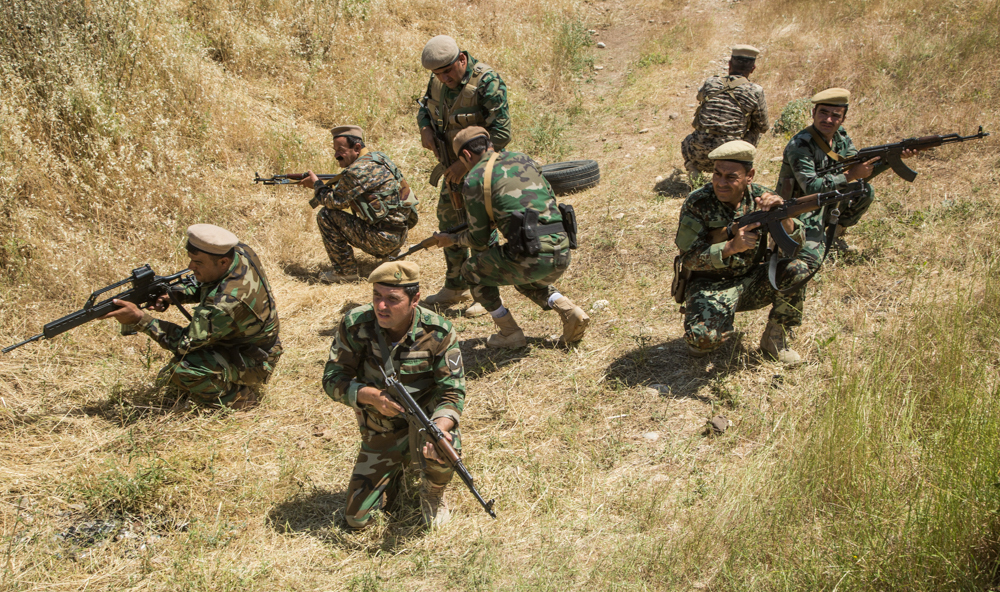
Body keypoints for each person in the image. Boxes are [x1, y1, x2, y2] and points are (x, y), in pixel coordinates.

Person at [323, 261, 465, 528]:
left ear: (415, 299)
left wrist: (441, 428)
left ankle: (433, 491)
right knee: (357, 520)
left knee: (447, 447)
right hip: (381, 431)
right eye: (376, 296)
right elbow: (333, 378)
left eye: (392, 299)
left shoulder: (439, 332)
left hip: (425, 427)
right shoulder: (356, 325)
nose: (381, 306)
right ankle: (395, 469)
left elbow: (452, 392)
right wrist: (368, 396)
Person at [433, 127, 589, 348]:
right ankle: (568, 310)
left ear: (466, 156)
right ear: (490, 145)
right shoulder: (523, 159)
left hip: (533, 256)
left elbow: (479, 240)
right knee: (522, 277)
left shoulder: (475, 177)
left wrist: (452, 240)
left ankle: (509, 332)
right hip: (562, 250)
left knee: (471, 270)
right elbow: (546, 199)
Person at [101, 224, 282, 407]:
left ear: (223, 262)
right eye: (191, 260)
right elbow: (210, 282)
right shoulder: (239, 251)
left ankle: (242, 402)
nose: (190, 267)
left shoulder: (225, 304)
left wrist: (139, 320)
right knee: (168, 379)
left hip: (257, 358)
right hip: (244, 342)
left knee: (185, 369)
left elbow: (184, 345)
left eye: (198, 263)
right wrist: (176, 294)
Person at [675, 140, 815, 365]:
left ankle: (774, 338)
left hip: (752, 281)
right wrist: (730, 247)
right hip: (709, 285)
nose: (721, 183)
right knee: (701, 343)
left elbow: (797, 244)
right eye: (717, 174)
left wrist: (783, 217)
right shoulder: (698, 202)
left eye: (731, 177)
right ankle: (709, 320)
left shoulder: (762, 198)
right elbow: (688, 258)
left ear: (749, 175)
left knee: (796, 269)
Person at [417, 35, 511, 318]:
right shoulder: (437, 82)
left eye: (448, 71)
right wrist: (425, 128)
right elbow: (424, 109)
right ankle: (455, 285)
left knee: (480, 228)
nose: (443, 78)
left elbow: (502, 134)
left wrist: (465, 163)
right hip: (451, 170)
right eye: (437, 74)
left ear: (461, 60)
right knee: (449, 221)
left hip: (481, 171)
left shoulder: (486, 82)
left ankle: (485, 292)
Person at [776, 88, 911, 254]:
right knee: (808, 258)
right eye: (823, 113)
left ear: (843, 118)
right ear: (813, 113)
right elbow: (812, 187)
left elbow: (862, 172)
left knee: (864, 191)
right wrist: (851, 174)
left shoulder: (841, 137)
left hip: (827, 199)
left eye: (836, 115)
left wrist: (891, 159)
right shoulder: (800, 145)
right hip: (800, 208)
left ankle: (834, 234)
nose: (828, 119)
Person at [302, 125, 418, 284]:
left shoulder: (356, 171)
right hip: (400, 234)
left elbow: (333, 201)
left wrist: (316, 185)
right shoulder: (379, 158)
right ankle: (390, 253)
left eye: (341, 150)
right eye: (334, 150)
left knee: (326, 215)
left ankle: (345, 273)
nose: (336, 155)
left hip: (383, 240)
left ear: (357, 148)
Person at [682, 45, 769, 183]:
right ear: (753, 69)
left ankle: (692, 168)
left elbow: (699, 98)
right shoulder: (755, 91)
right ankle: (742, 170)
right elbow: (763, 126)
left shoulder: (711, 82)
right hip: (730, 156)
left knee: (687, 140)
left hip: (698, 154)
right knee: (756, 130)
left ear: (729, 64)